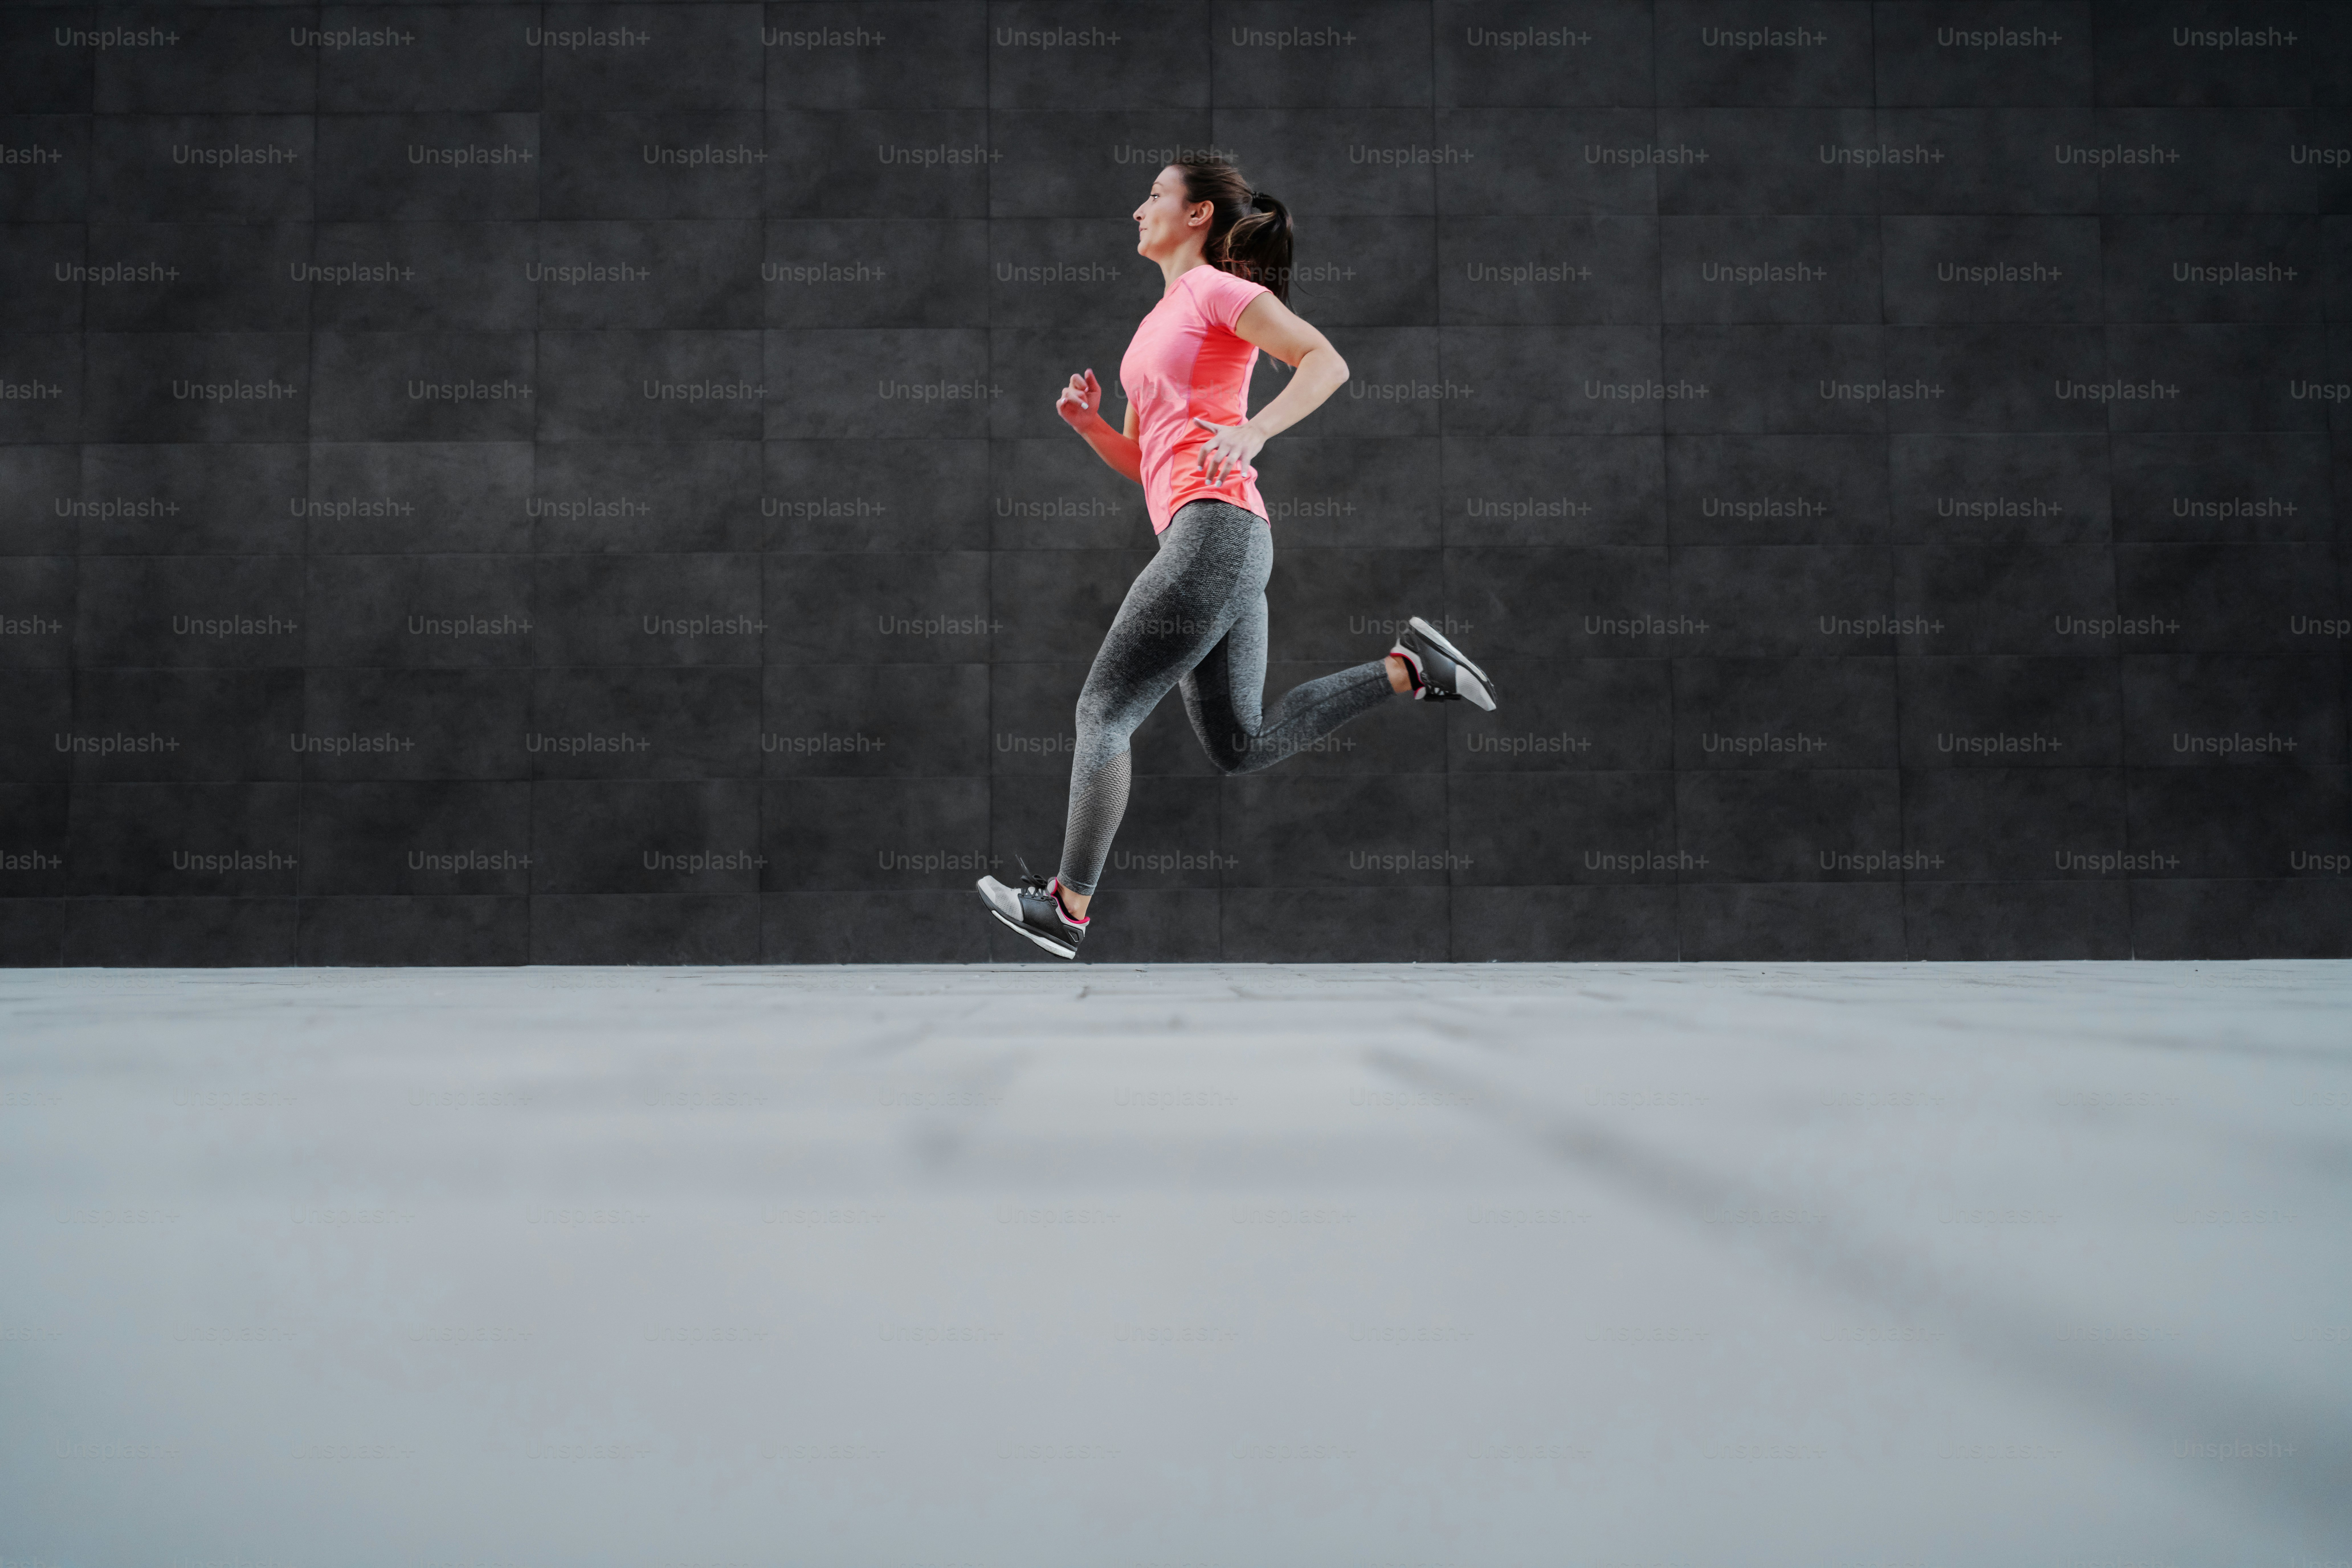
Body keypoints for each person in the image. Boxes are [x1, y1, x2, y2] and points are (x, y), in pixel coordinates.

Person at [978, 159, 1496, 959]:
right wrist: (1090, 427)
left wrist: (1255, 430)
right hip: (1219, 540)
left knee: (1104, 712)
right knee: (1240, 746)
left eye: (1156, 195)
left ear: (1199, 215)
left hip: (1215, 533)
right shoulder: (1156, 323)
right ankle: (1410, 670)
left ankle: (1066, 907)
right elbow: (1147, 461)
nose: (1139, 209)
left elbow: (1326, 361)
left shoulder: (1217, 291)